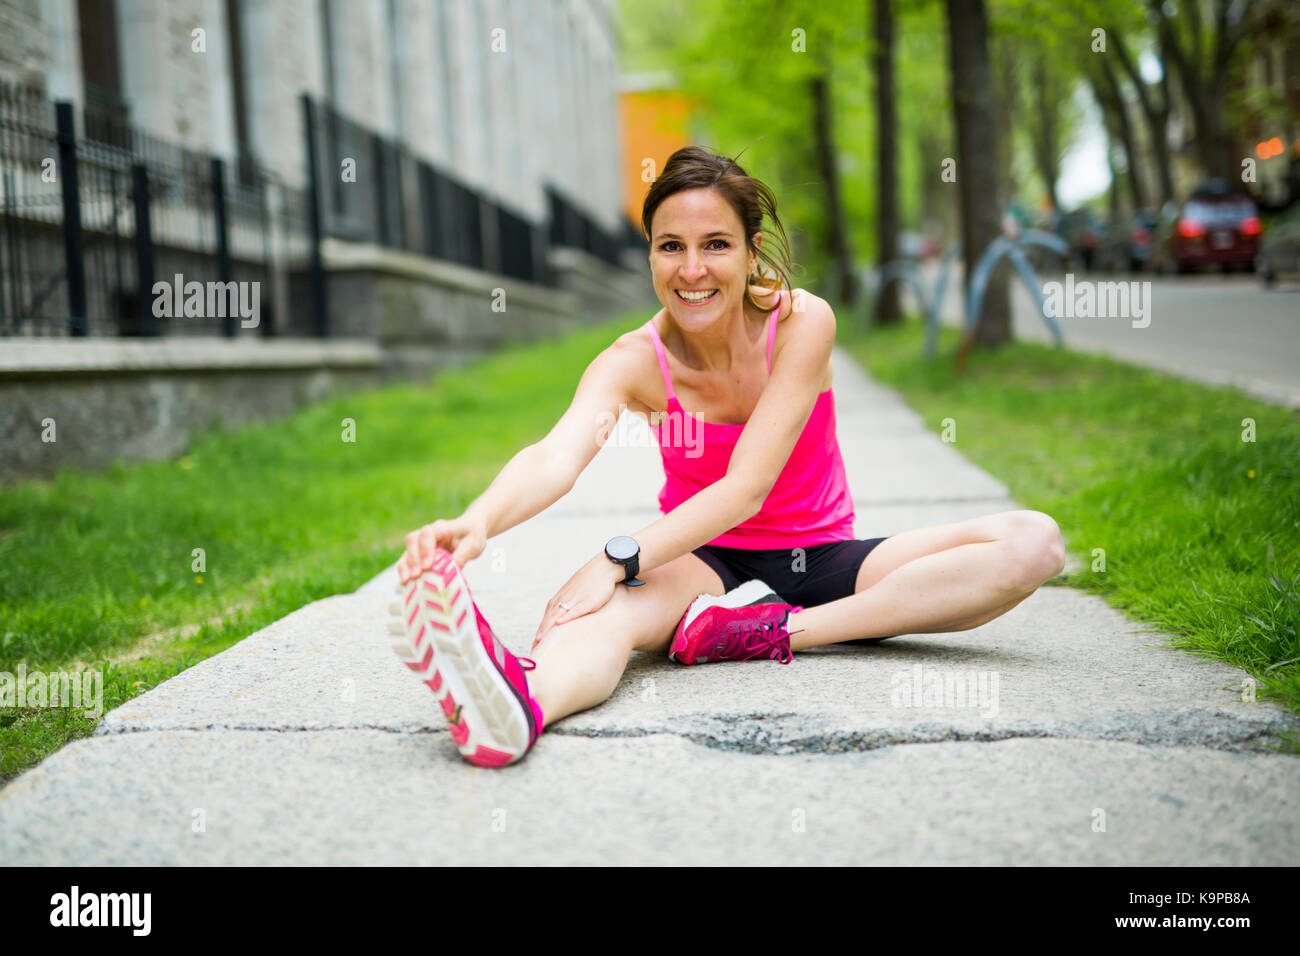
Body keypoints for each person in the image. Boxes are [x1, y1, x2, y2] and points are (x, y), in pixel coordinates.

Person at [389, 145, 1065, 767]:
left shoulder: (803, 322)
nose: (691, 270)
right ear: (650, 256)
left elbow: (748, 488)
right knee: (603, 615)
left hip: (823, 554)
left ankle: (762, 633)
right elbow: (555, 455)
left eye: (715, 245)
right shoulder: (632, 362)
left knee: (1032, 543)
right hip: (703, 558)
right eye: (669, 247)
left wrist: (616, 557)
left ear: (752, 251)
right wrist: (478, 521)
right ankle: (517, 703)